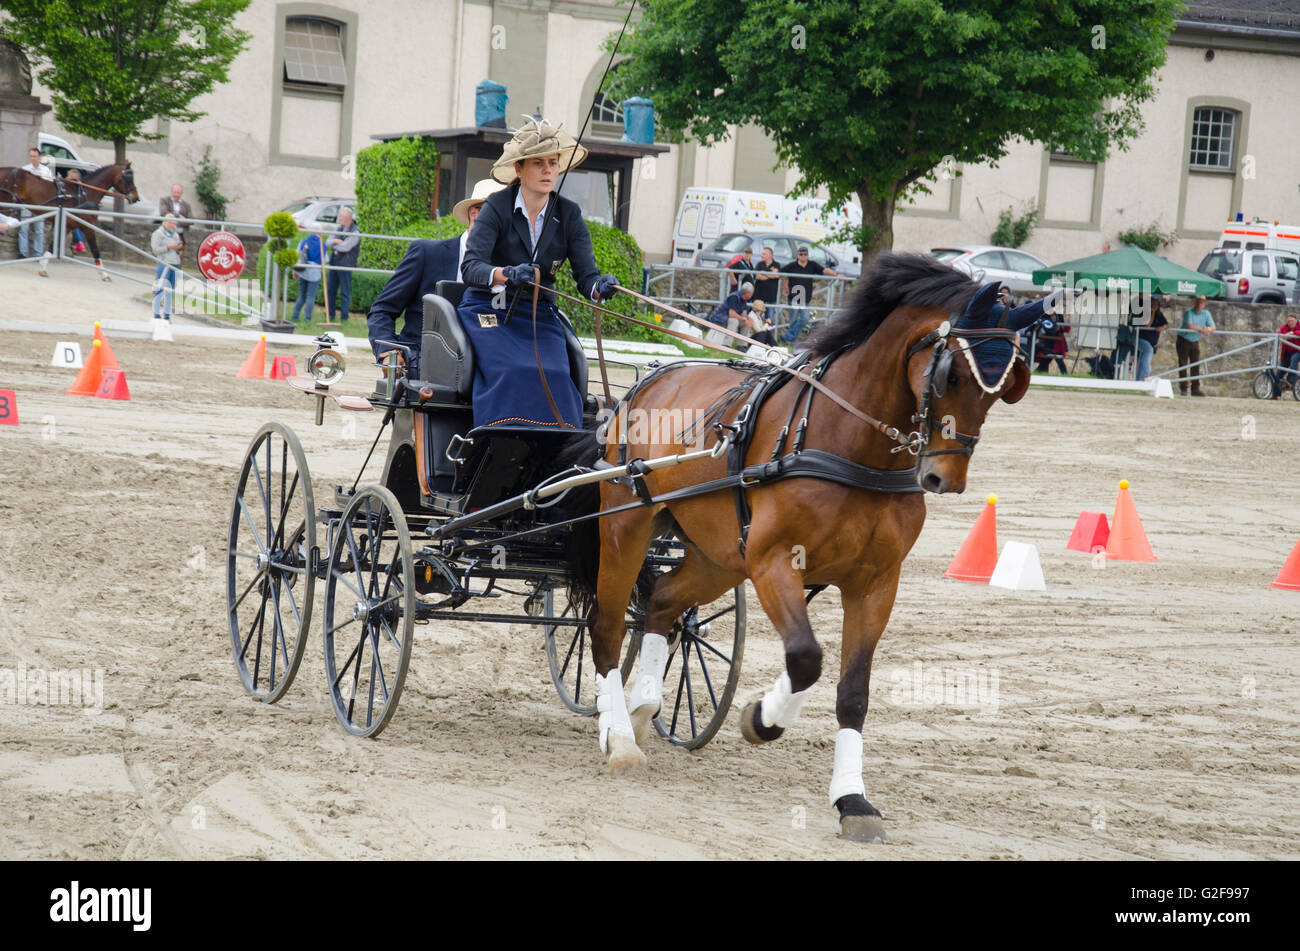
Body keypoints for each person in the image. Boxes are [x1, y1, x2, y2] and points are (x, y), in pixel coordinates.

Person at [456, 118, 618, 430]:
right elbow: (471, 267)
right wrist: (505, 274)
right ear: (519, 169)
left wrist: (601, 286)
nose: (547, 171)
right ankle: (495, 440)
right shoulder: (495, 207)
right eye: (538, 163)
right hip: (490, 309)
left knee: (556, 374)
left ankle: (559, 449)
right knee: (514, 370)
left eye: (553, 163)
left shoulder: (569, 214)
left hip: (539, 315)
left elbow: (587, 278)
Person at [367, 178, 504, 371]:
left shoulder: (506, 270)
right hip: (422, 363)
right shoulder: (427, 253)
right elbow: (382, 310)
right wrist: (389, 352)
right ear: (474, 215)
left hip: (485, 369)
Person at [780, 246, 838, 343]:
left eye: (805, 254)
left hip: (805, 299)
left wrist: (836, 274)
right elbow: (781, 272)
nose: (803, 256)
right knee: (793, 320)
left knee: (805, 319)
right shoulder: (792, 265)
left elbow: (824, 270)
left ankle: (786, 336)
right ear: (798, 255)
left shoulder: (812, 265)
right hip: (794, 297)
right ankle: (792, 341)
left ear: (807, 255)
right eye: (801, 254)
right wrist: (785, 285)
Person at [325, 207, 360, 323]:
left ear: (347, 217)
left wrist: (336, 244)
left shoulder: (355, 231)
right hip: (334, 262)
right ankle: (330, 315)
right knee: (331, 290)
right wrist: (336, 242)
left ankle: (344, 318)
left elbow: (346, 247)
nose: (339, 219)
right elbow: (328, 241)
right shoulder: (339, 228)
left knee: (345, 291)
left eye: (341, 217)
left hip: (346, 264)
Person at [1176, 294, 1215, 396]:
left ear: (1204, 305)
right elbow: (1190, 325)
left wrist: (1208, 330)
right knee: (1183, 364)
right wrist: (1202, 329)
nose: (1199, 304)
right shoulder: (1189, 312)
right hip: (1184, 339)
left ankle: (1195, 389)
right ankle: (1184, 389)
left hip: (1195, 340)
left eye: (1201, 303)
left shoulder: (1206, 314)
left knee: (1195, 364)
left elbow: (1213, 326)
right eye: (1198, 302)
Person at [18, 147, 52, 259]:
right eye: (31, 156)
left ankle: (38, 254)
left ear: (39, 157)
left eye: (35, 156)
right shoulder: (25, 170)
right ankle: (23, 253)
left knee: (39, 229)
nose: (33, 158)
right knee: (24, 228)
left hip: (40, 204)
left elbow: (49, 186)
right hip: (27, 203)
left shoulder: (46, 170)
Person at [150, 215, 182, 322]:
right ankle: (156, 313)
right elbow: (155, 250)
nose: (172, 226)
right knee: (161, 288)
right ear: (165, 222)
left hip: (175, 263)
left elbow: (177, 250)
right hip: (164, 263)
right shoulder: (158, 234)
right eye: (170, 223)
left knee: (171, 290)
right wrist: (168, 247)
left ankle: (167, 314)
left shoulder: (175, 235)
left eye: (174, 224)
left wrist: (178, 248)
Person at [289, 230, 324, 323]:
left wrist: (295, 271)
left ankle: (295, 316)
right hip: (314, 273)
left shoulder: (304, 241)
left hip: (303, 271)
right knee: (311, 297)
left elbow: (298, 254)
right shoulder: (322, 244)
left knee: (302, 295)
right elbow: (326, 259)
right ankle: (307, 319)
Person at [1135, 294, 1170, 382]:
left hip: (1151, 341)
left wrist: (1163, 327)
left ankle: (1139, 380)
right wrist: (1152, 312)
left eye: (1156, 304)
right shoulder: (1144, 311)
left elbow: (1167, 324)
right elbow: (1147, 324)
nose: (1155, 306)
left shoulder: (1158, 313)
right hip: (1140, 338)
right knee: (1148, 351)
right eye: (1153, 304)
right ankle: (1145, 376)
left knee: (1144, 357)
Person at [1271, 313, 1300, 398]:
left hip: (1297, 350)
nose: (1289, 323)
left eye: (1291, 321)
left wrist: (1293, 333)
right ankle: (1275, 395)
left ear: (1296, 320)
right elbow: (1279, 333)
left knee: (1294, 360)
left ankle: (1290, 381)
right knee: (1279, 371)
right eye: (1288, 321)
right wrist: (1280, 335)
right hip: (1287, 352)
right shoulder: (1284, 327)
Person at [158, 184, 192, 249]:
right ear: (171, 192)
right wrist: (179, 216)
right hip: (166, 234)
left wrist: (173, 221)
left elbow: (191, 220)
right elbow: (164, 213)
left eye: (178, 193)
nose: (176, 195)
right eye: (175, 192)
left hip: (181, 236)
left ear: (181, 193)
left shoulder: (187, 204)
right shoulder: (164, 200)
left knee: (179, 257)